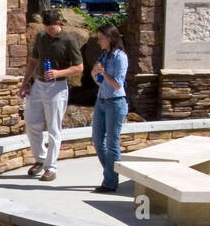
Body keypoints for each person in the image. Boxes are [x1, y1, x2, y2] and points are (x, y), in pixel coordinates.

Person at [19, 10, 84, 181]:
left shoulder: (68, 40)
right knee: (32, 123)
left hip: (57, 86)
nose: (49, 30)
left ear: (59, 23)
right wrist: (25, 82)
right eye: (47, 27)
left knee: (54, 127)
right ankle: (40, 158)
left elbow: (79, 67)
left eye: (52, 27)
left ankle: (51, 167)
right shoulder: (41, 37)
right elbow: (33, 60)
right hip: (39, 84)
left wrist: (58, 72)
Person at [90, 24, 129, 193]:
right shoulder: (104, 55)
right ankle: (111, 173)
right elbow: (101, 82)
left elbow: (117, 83)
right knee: (98, 141)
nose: (99, 41)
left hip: (115, 102)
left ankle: (110, 181)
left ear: (110, 38)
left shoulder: (120, 57)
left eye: (101, 38)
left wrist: (104, 72)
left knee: (112, 143)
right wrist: (94, 73)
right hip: (101, 101)